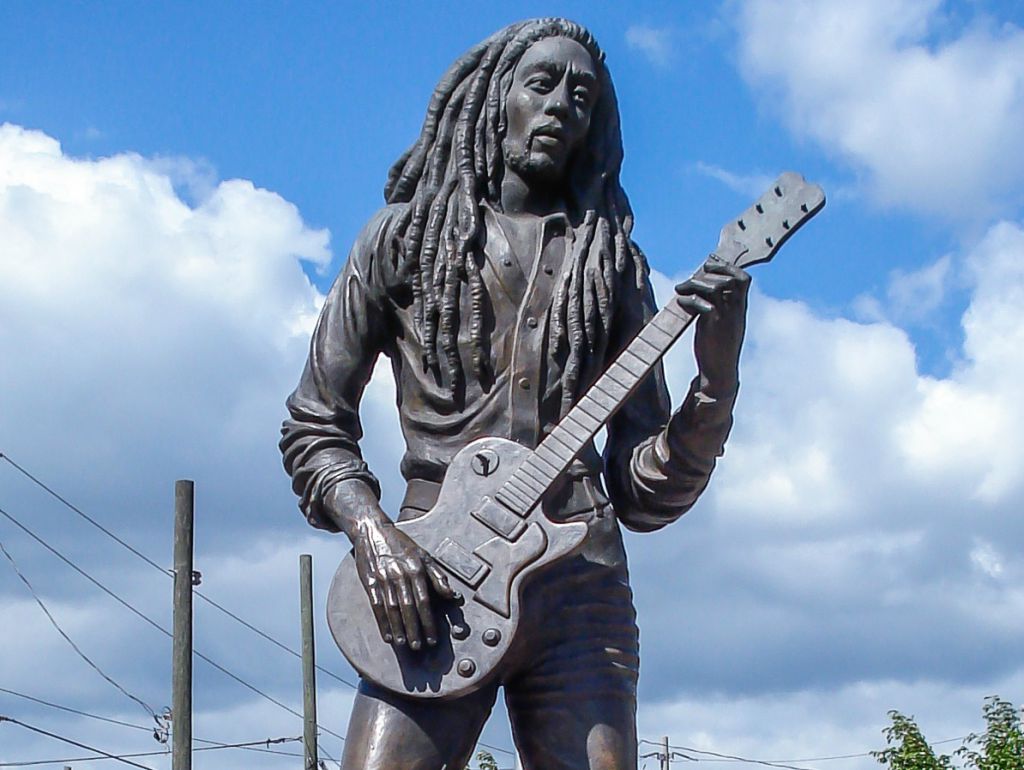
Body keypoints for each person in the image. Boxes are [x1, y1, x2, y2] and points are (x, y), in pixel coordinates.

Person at [281, 18, 749, 770]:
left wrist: (716, 381)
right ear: (496, 99)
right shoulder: (400, 242)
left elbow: (645, 492)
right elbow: (313, 424)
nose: (564, 104)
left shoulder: (613, 267)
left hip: (579, 583)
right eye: (544, 83)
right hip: (429, 581)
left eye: (584, 96)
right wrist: (373, 535)